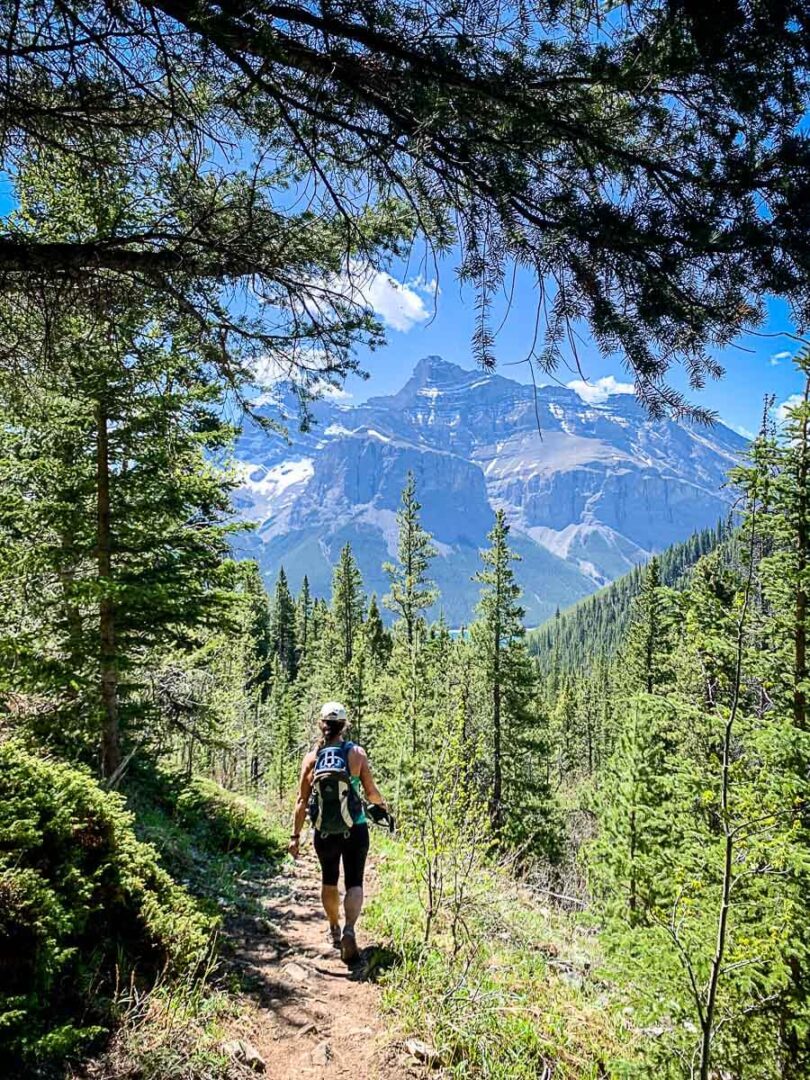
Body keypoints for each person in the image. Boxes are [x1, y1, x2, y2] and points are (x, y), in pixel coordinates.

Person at [288, 701, 389, 964]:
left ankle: (333, 926)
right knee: (354, 881)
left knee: (329, 879)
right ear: (344, 725)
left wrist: (295, 837)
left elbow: (301, 801)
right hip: (355, 827)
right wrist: (382, 806)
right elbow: (370, 792)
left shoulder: (311, 759)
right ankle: (349, 929)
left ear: (321, 725)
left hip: (324, 832)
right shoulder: (356, 754)